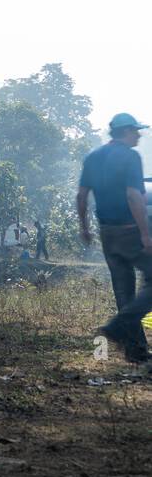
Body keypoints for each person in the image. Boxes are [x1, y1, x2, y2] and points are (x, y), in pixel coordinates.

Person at [77, 114, 152, 363]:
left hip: (106, 232)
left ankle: (136, 352)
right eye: (136, 131)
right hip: (130, 231)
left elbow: (82, 195)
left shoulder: (93, 157)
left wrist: (84, 228)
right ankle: (119, 325)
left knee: (124, 292)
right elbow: (133, 196)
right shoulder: (131, 157)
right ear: (126, 132)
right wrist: (145, 233)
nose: (139, 135)